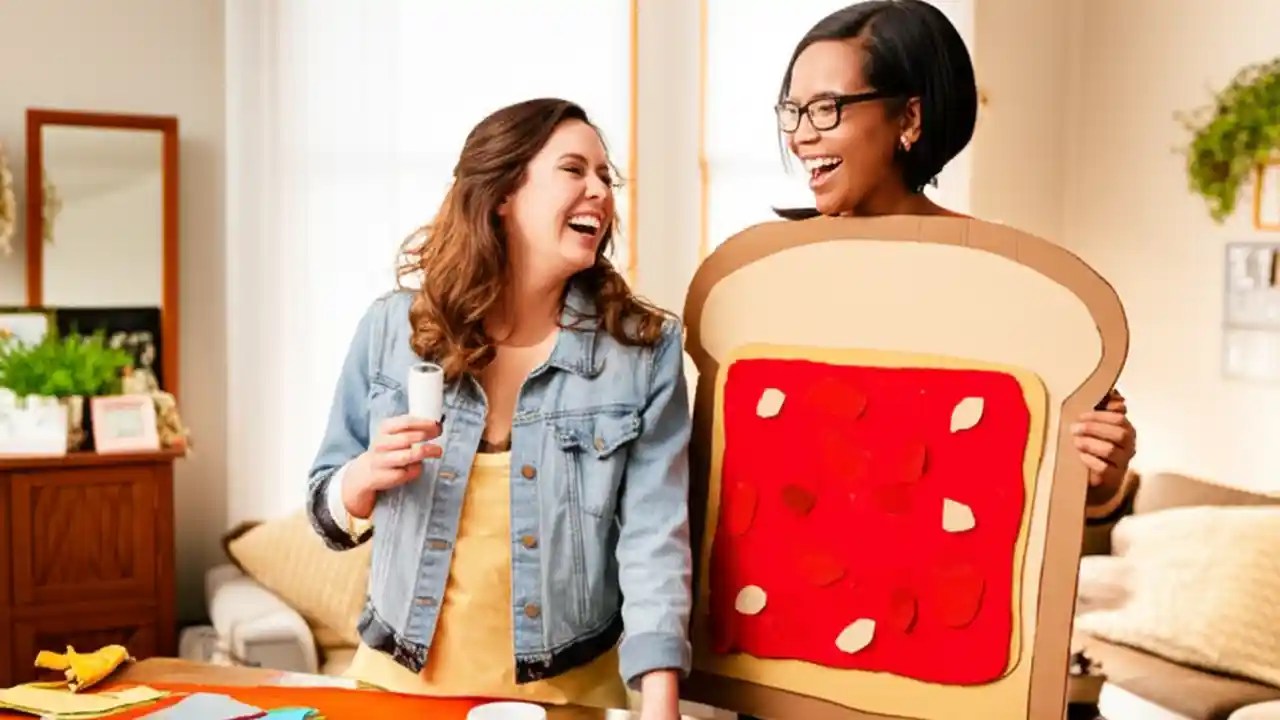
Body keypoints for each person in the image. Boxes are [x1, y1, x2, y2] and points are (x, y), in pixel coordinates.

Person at [305, 98, 692, 720]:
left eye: (605, 176)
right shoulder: (391, 330)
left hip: (565, 694)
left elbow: (655, 538)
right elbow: (325, 507)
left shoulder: (641, 353)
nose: (600, 190)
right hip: (397, 689)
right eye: (574, 170)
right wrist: (361, 480)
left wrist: (661, 704)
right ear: (504, 193)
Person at [773, 0, 1137, 506]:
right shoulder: (772, 278)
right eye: (792, 110)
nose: (801, 134)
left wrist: (1101, 475)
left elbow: (1055, 465)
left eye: (827, 107)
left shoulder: (1008, 279)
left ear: (910, 117)